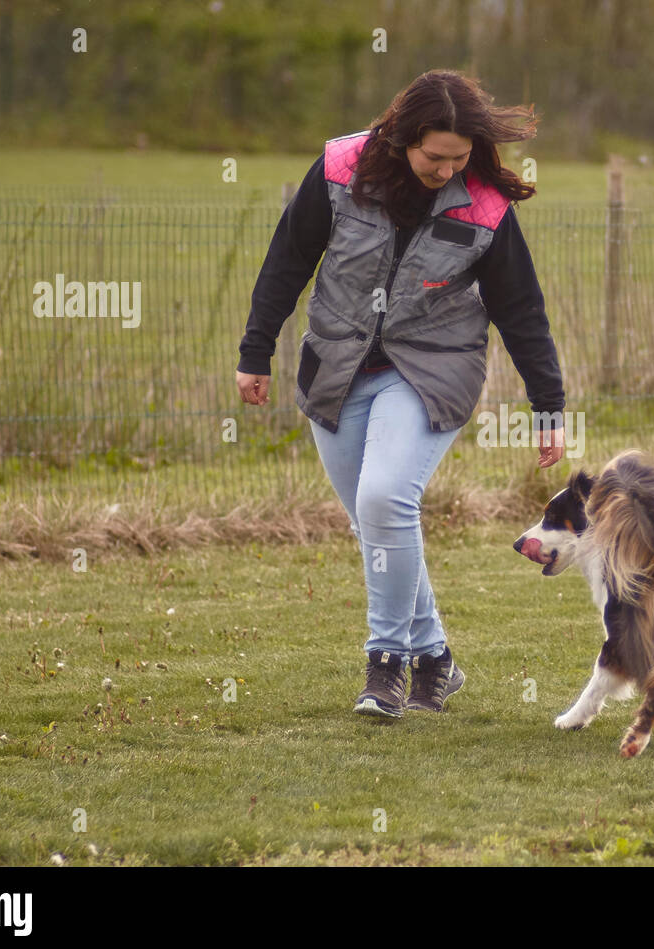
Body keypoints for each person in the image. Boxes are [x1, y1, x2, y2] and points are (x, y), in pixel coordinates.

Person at [235, 70, 566, 719]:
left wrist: (548, 406)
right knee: (374, 521)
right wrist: (256, 349)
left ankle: (386, 665)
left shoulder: (483, 203)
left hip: (433, 366)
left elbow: (520, 308)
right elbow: (288, 259)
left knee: (386, 496)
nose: (446, 169)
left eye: (459, 157)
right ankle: (437, 658)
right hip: (336, 363)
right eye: (433, 157)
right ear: (400, 139)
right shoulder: (340, 170)